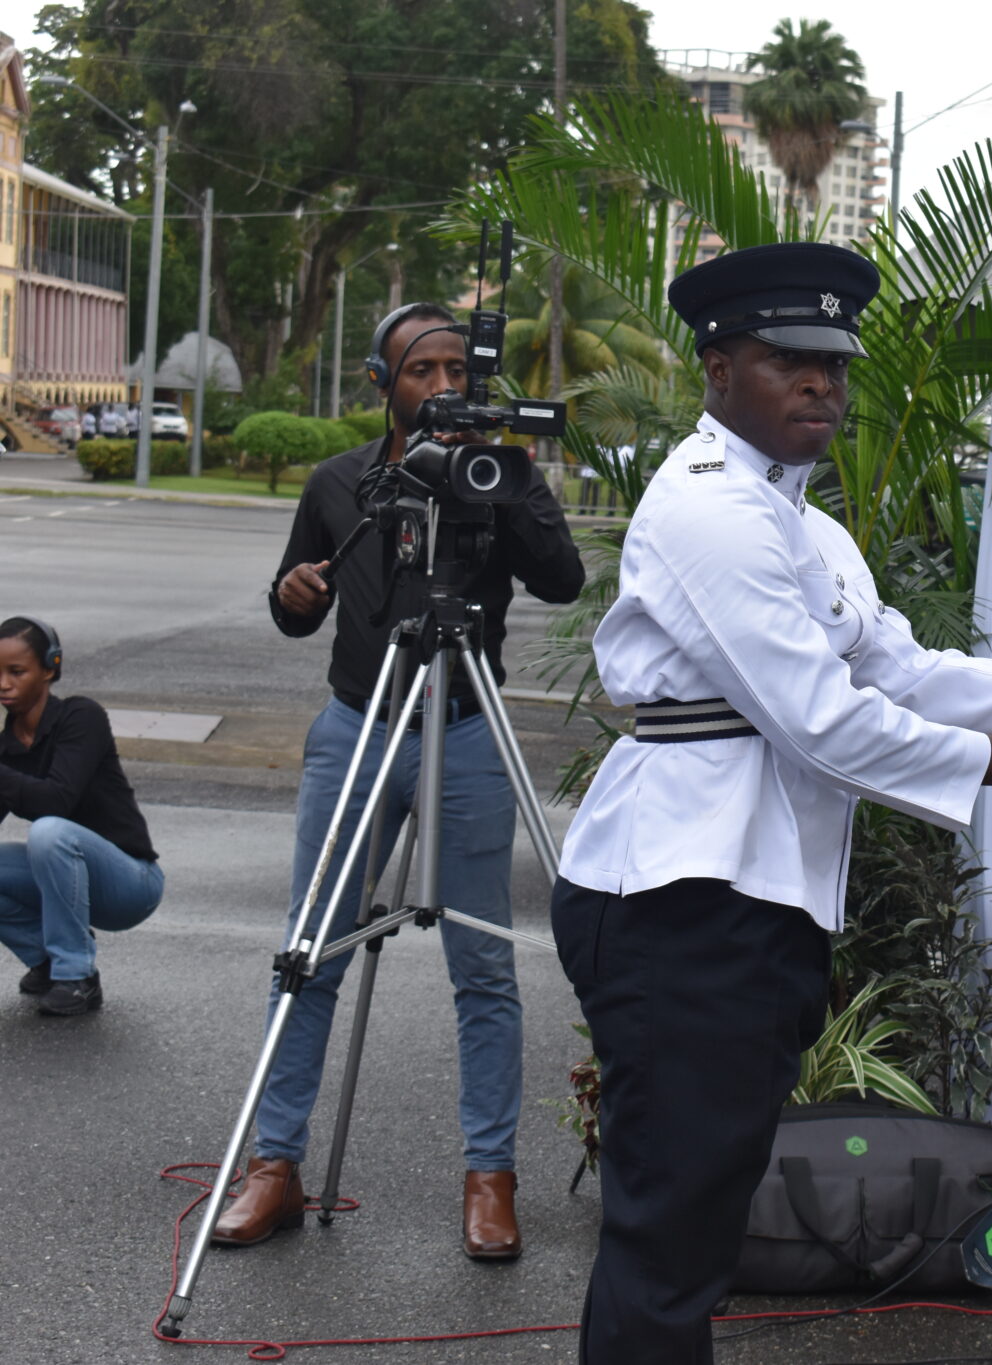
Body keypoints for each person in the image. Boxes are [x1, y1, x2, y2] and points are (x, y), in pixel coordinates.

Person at [548, 242, 992, 1363]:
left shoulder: (803, 523)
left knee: (700, 1209)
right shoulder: (711, 507)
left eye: (834, 364)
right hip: (682, 895)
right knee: (671, 1226)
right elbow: (818, 718)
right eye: (790, 361)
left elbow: (898, 669)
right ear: (717, 369)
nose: (822, 383)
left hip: (752, 894)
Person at [209, 303, 585, 1258]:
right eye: (423, 369)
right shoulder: (340, 482)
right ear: (383, 382)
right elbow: (297, 608)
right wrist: (290, 592)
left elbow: (563, 579)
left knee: (484, 965)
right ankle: (274, 1165)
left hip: (466, 728)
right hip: (359, 726)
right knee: (310, 950)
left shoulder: (502, 474)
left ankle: (491, 1174)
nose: (445, 384)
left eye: (459, 368)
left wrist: (500, 478)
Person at [0, 616, 163, 1015]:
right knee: (46, 835)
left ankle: (77, 977)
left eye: (16, 672)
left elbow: (57, 799)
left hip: (130, 884)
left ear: (49, 668)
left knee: (49, 832)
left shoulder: (81, 717)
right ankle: (46, 961)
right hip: (65, 880)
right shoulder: (6, 747)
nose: (3, 683)